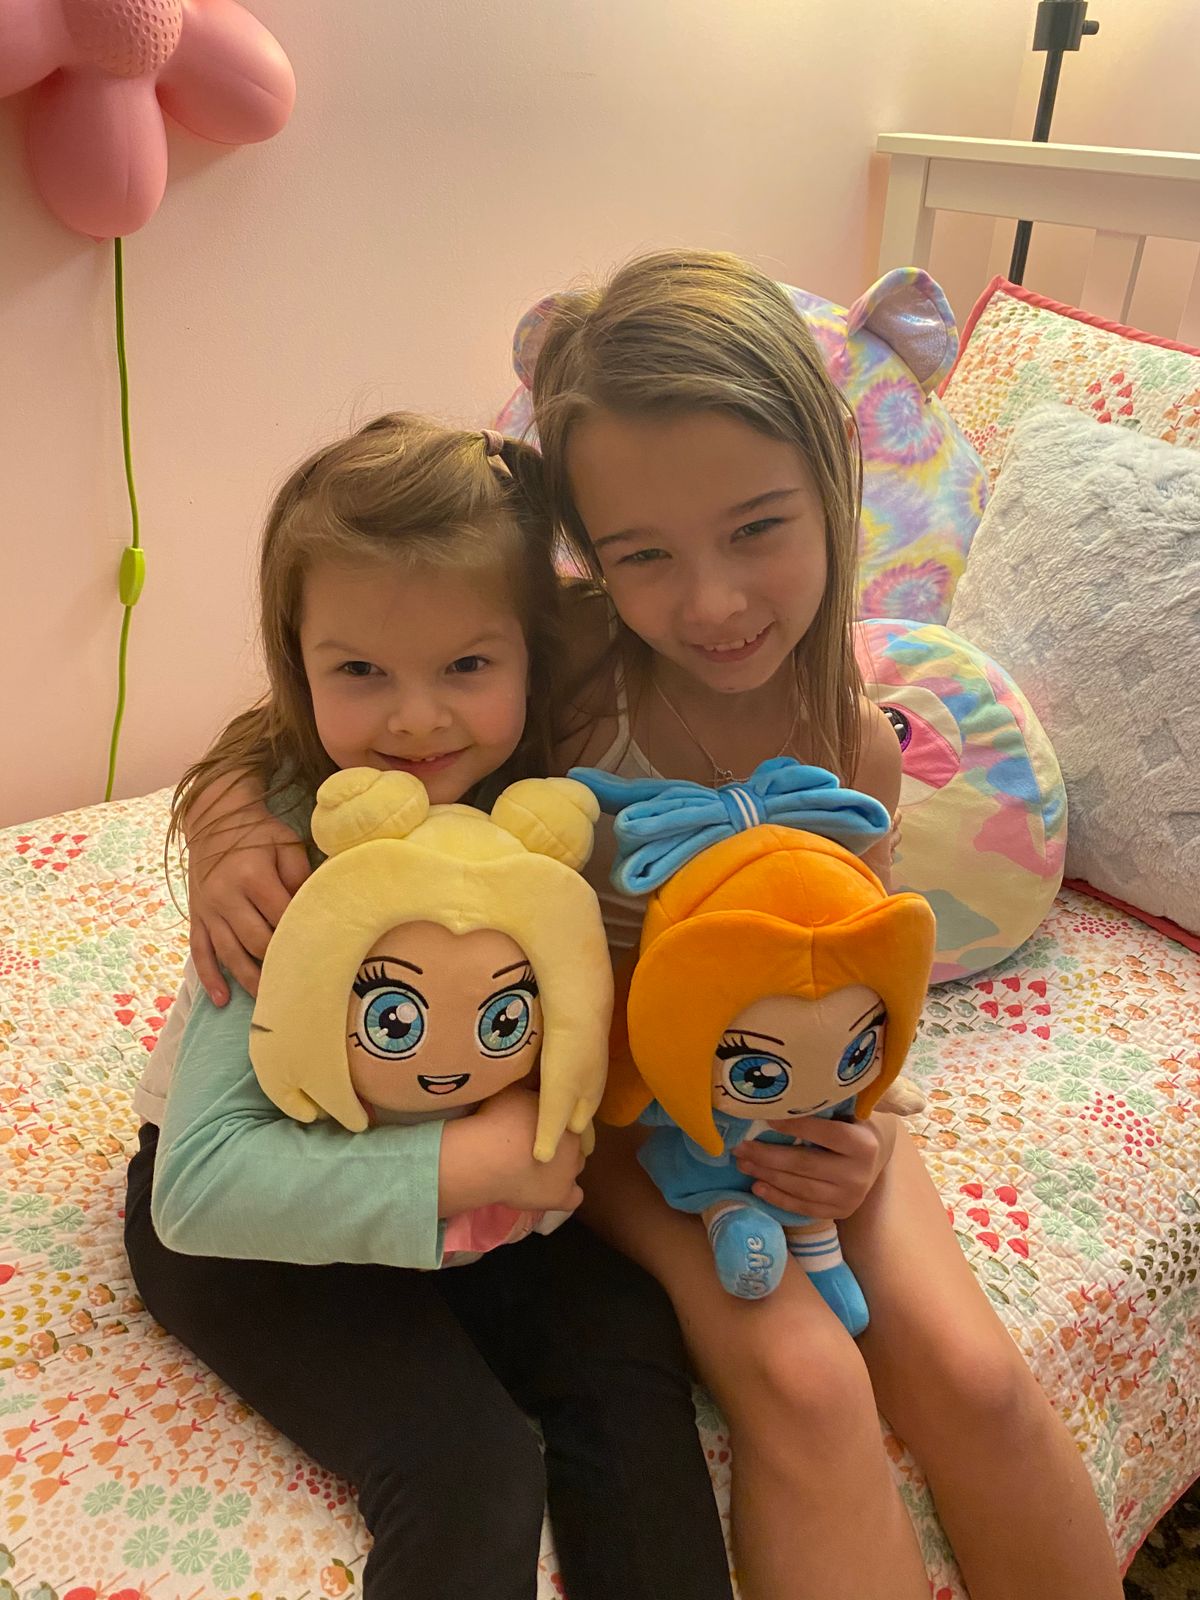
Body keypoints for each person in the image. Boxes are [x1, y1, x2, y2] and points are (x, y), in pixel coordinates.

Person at [180, 255, 1124, 1600]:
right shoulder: (564, 668)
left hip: (801, 1096)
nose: (713, 602)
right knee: (805, 1378)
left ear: (834, 483)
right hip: (625, 1107)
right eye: (643, 556)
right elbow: (308, 722)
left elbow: (856, 980)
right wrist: (226, 827)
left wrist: (856, 1136)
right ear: (588, 555)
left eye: (758, 529)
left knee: (980, 1379)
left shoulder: (853, 741)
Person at [124, 412, 734, 1600]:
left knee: (626, 1349)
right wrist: (466, 1164)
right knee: (473, 1465)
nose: (415, 719)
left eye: (466, 666)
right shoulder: (291, 854)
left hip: (474, 1204)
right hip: (253, 1224)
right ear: (298, 663)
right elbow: (198, 1190)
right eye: (359, 671)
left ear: (533, 654)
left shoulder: (536, 799)